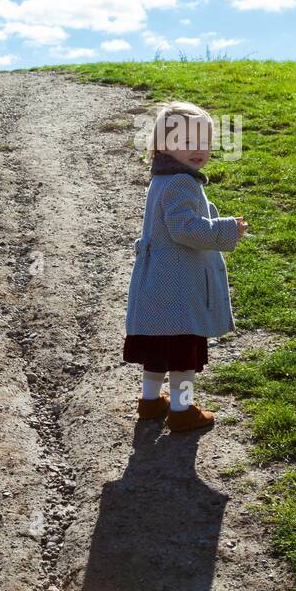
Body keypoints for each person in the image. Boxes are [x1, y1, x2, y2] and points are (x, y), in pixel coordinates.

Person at [123, 100, 248, 432]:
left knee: (157, 346)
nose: (199, 150)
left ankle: (150, 402)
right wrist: (226, 230)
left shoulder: (161, 180)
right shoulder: (182, 182)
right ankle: (182, 408)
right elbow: (185, 230)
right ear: (165, 145)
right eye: (188, 142)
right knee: (183, 351)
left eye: (204, 143)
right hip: (177, 286)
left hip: (157, 283)